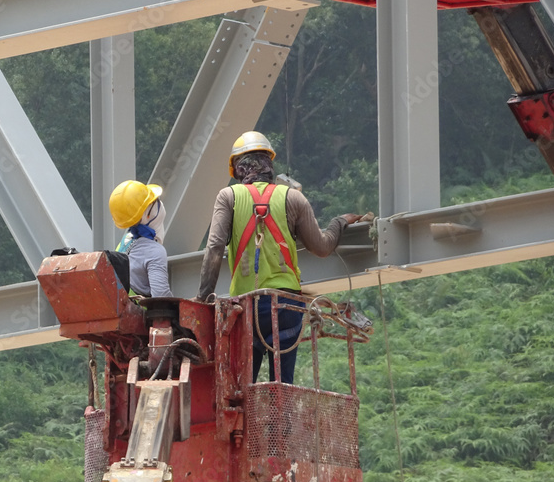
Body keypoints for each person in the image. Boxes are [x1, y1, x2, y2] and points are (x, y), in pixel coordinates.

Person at [196, 131, 363, 383]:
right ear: (269, 164)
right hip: (286, 305)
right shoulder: (293, 197)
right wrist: (339, 222)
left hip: (246, 307)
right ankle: (280, 422)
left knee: (244, 389)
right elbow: (321, 247)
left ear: (238, 169)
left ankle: (246, 422)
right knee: (282, 387)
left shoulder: (228, 197)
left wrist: (203, 298)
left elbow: (215, 248)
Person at [108, 180, 172, 298]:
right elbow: (161, 298)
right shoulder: (155, 252)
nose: (159, 203)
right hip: (139, 315)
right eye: (154, 201)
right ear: (147, 215)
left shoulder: (126, 241)